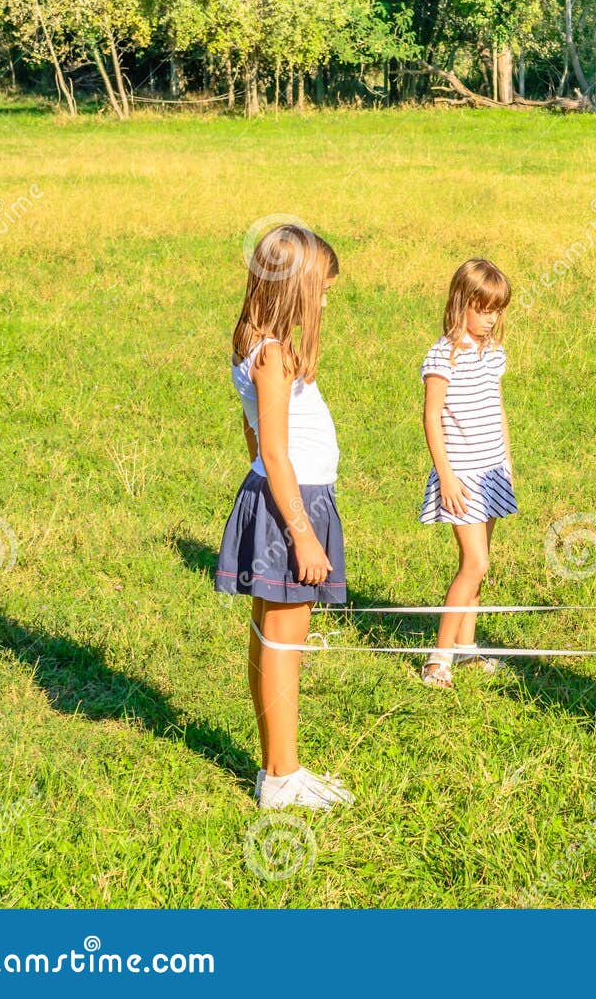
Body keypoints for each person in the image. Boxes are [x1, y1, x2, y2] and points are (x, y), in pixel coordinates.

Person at [217, 222, 353, 809]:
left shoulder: (258, 341)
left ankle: (279, 767)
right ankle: (282, 776)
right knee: (283, 644)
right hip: (290, 509)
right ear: (293, 287)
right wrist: (302, 536)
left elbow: (254, 437)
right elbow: (273, 449)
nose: (323, 301)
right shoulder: (271, 353)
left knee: (271, 639)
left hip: (281, 500)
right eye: (319, 289)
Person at [418, 259, 517, 687]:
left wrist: (507, 463)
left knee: (478, 563)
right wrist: (446, 476)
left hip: (492, 471)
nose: (492, 318)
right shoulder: (443, 355)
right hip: (461, 476)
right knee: (475, 563)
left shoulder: (492, 352)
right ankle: (438, 658)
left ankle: (466, 647)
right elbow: (431, 416)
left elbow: (497, 409)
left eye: (498, 310)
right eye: (485, 309)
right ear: (463, 303)